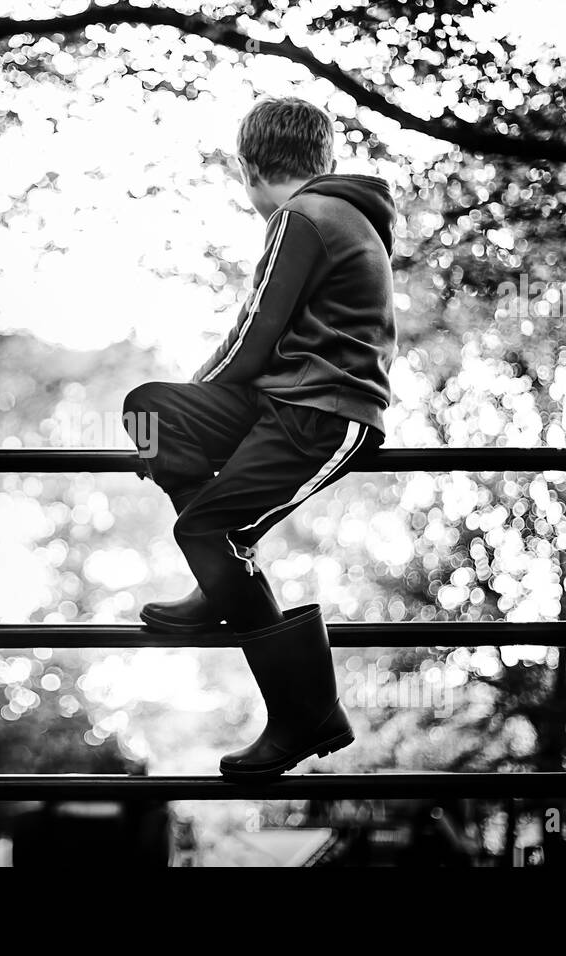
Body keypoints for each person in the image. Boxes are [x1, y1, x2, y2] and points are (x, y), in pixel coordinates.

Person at [123, 97, 398, 780]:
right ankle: (221, 582)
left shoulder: (303, 216)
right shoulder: (330, 213)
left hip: (324, 416)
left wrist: (199, 392)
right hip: (287, 405)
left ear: (248, 168)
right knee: (152, 411)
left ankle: (306, 715)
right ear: (322, 158)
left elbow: (253, 336)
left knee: (204, 524)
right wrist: (182, 408)